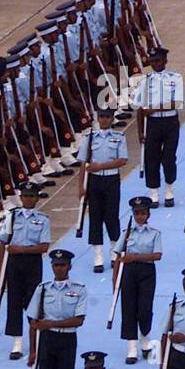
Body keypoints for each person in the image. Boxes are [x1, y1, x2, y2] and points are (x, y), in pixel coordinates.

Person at [26, 248, 87, 369]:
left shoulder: (78, 289)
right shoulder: (43, 289)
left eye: (62, 265)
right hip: (46, 341)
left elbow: (78, 320)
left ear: (69, 266)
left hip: (67, 341)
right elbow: (33, 321)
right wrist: (33, 350)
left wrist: (51, 324)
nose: (59, 268)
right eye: (56, 265)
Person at [0, 181, 51, 361]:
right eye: (25, 196)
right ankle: (17, 342)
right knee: (13, 300)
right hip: (13, 263)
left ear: (37, 199)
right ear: (20, 198)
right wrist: (1, 271)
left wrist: (21, 249)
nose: (28, 199)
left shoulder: (43, 219)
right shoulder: (11, 217)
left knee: (32, 301)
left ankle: (34, 337)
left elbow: (44, 247)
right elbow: (3, 243)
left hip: (32, 262)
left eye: (31, 196)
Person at [113, 195, 162, 363]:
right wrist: (115, 281)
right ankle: (132, 347)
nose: (140, 216)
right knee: (129, 308)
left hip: (147, 271)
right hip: (129, 272)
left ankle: (145, 341)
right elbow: (118, 255)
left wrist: (135, 257)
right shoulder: (127, 233)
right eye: (137, 213)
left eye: (143, 213)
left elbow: (157, 255)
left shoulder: (155, 234)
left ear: (148, 214)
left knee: (144, 308)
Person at [79, 102, 127, 272]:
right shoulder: (90, 138)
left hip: (112, 179)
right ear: (97, 119)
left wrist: (100, 166)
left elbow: (122, 160)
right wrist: (81, 187)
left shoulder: (119, 137)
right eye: (101, 117)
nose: (104, 120)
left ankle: (114, 251)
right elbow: (84, 163)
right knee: (95, 217)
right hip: (94, 181)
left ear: (112, 118)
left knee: (112, 215)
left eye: (107, 117)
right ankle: (98, 256)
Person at [133, 45, 182, 207]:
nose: (156, 64)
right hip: (152, 124)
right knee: (151, 158)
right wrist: (140, 131)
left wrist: (155, 108)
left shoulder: (175, 78)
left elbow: (178, 103)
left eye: (159, 60)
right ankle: (153, 192)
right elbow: (140, 109)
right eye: (153, 61)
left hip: (170, 122)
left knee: (169, 158)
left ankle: (169, 190)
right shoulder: (145, 81)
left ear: (165, 61)